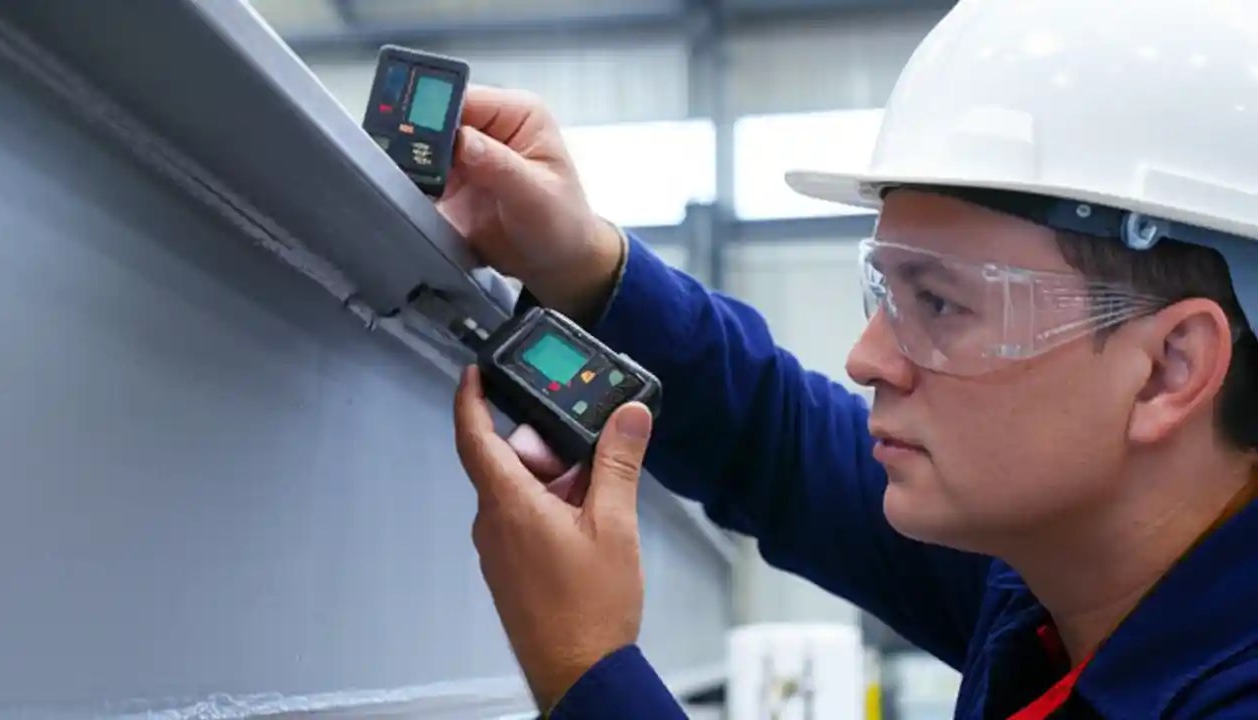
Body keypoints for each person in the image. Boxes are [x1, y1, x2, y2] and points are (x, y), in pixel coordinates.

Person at [444, 1, 1258, 717]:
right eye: (887, 292)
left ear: (1168, 369)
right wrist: (582, 260)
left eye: (939, 302)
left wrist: (587, 668)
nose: (867, 359)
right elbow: (779, 447)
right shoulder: (1057, 593)